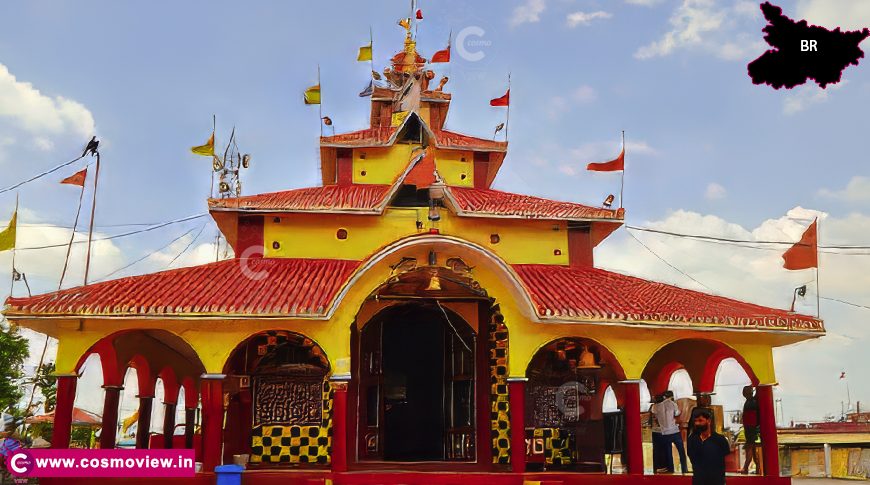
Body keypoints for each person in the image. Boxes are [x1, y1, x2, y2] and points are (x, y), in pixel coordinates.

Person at [687, 409, 730, 485]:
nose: (698, 423)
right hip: (698, 481)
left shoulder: (720, 439)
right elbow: (691, 458)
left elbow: (726, 459)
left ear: (709, 421)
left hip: (716, 481)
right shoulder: (692, 440)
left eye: (700, 420)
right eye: (695, 421)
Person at [654, 390, 688, 474]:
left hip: (664, 432)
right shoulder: (673, 404)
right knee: (681, 452)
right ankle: (684, 469)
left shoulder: (656, 406)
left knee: (668, 452)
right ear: (671, 397)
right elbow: (677, 413)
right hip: (674, 431)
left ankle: (670, 469)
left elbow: (654, 413)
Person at [740, 386, 760, 474]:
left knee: (750, 447)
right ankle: (756, 466)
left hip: (751, 428)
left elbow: (750, 420)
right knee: (752, 447)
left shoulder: (750, 404)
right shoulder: (753, 402)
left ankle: (746, 467)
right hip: (752, 428)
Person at [649, 394, 667, 473]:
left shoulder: (653, 407)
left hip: (654, 430)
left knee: (656, 449)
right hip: (663, 430)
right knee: (663, 449)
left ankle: (656, 466)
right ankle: (663, 466)